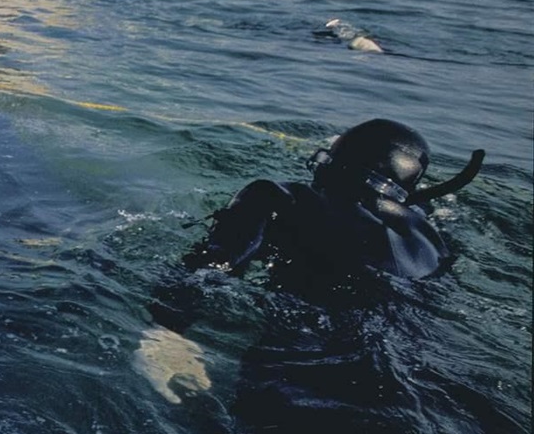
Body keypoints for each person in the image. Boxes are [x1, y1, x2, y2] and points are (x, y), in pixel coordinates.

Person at [139, 118, 483, 402]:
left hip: (304, 361)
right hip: (418, 372)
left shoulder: (279, 195)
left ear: (327, 163)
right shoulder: (433, 241)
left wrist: (167, 330)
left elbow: (211, 266)